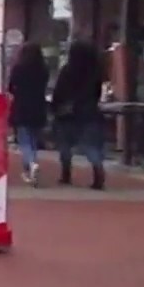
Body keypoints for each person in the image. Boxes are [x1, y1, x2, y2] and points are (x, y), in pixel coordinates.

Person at [51, 40, 105, 189]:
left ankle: (66, 174)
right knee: (90, 145)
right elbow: (97, 93)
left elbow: (58, 91)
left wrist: (56, 107)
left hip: (67, 114)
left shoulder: (67, 70)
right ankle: (98, 171)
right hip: (89, 112)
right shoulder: (95, 72)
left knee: (65, 145)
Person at [7, 42, 49, 186]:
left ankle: (31, 164)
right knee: (33, 140)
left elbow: (11, 87)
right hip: (38, 107)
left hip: (21, 107)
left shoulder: (18, 68)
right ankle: (32, 165)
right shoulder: (43, 69)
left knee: (24, 141)